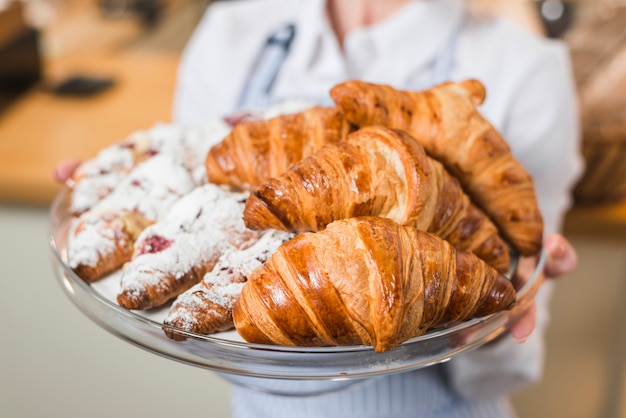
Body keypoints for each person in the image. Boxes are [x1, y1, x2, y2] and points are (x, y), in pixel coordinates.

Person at [54, 0, 582, 416]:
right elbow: (193, 303)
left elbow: (506, 365)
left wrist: (486, 318)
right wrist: (130, 199)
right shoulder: (231, 34)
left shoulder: (527, 68)